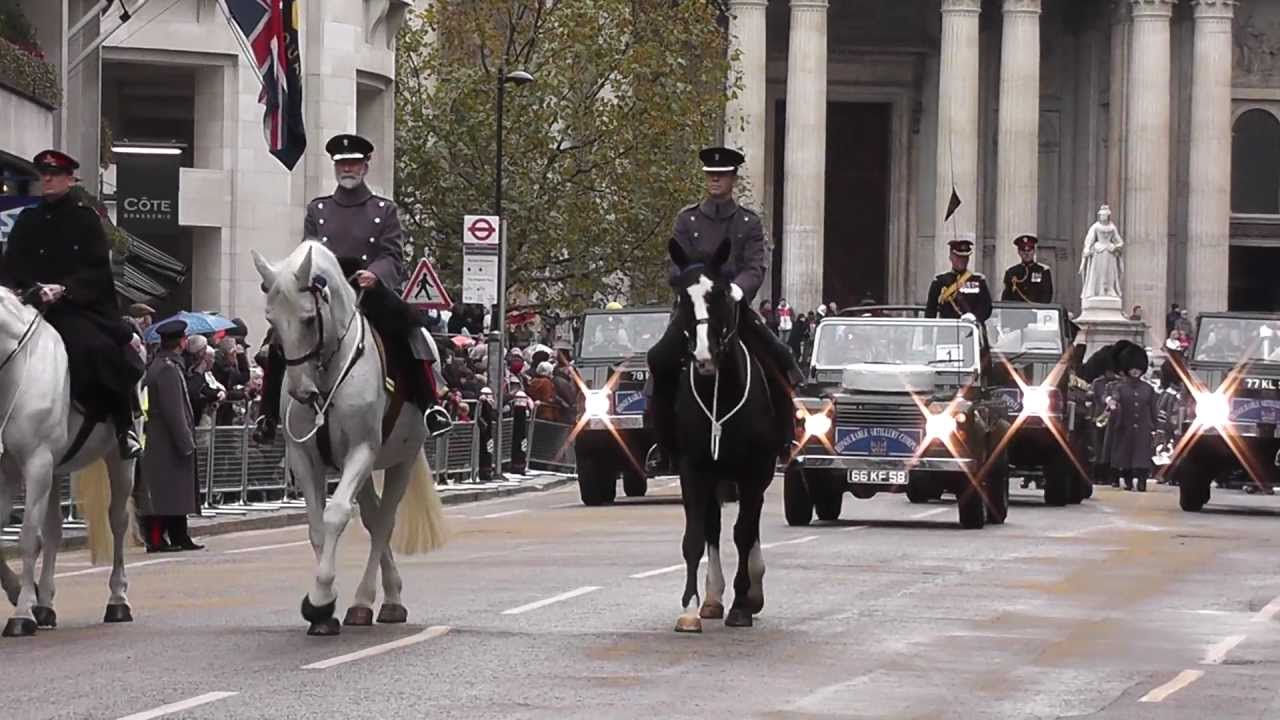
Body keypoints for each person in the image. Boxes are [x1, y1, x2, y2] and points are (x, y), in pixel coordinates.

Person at [254, 133, 452, 443]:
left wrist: (375, 274)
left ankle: (430, 406)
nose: (348, 169)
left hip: (366, 290)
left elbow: (392, 255)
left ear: (365, 167)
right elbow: (305, 254)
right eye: (343, 164)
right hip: (326, 293)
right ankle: (267, 415)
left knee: (410, 333)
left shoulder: (383, 210)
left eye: (354, 163)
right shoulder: (318, 209)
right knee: (279, 339)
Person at [645, 146, 803, 471]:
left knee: (779, 358)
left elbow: (755, 266)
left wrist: (735, 289)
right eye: (710, 176)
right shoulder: (687, 219)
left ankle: (784, 439)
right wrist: (694, 281)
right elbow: (675, 268)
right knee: (659, 358)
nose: (715, 180)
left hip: (732, 308)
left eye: (721, 175)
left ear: (732, 178)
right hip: (693, 308)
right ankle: (663, 443)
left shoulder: (748, 222)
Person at [0, 150, 144, 459]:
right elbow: (10, 265)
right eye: (44, 174)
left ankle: (123, 425)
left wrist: (64, 289)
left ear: (69, 179)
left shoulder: (85, 219)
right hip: (30, 306)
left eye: (54, 175)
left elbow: (96, 271)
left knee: (99, 349)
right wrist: (25, 290)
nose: (48, 180)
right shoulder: (27, 219)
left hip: (74, 308)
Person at [140, 320, 203, 552]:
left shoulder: (167, 364)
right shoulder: (167, 368)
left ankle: (179, 534)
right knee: (163, 494)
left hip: (165, 439)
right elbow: (173, 410)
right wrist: (185, 441)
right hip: (165, 440)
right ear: (181, 342)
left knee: (176, 493)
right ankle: (156, 538)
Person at [1107, 342, 1158, 492]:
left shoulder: (1148, 388)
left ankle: (1142, 481)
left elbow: (1153, 408)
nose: (1135, 371)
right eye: (1132, 368)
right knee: (1126, 456)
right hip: (1125, 426)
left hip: (1143, 428)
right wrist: (1112, 403)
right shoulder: (1120, 387)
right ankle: (1128, 480)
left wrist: (1156, 427)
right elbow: (1115, 397)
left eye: (1138, 368)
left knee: (1142, 457)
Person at [925, 239, 993, 323]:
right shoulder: (940, 281)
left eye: (965, 257)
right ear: (951, 257)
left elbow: (986, 306)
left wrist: (975, 317)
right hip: (948, 330)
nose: (962, 260)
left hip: (972, 330)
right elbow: (930, 311)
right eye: (958, 257)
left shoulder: (978, 280)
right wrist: (927, 335)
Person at [1000, 234, 1054, 303]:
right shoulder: (1011, 272)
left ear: (1034, 251)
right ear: (1019, 252)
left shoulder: (1043, 270)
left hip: (1037, 310)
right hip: (1017, 311)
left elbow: (1047, 294)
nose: (1026, 253)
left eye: (1029, 250)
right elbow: (1006, 296)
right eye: (1023, 251)